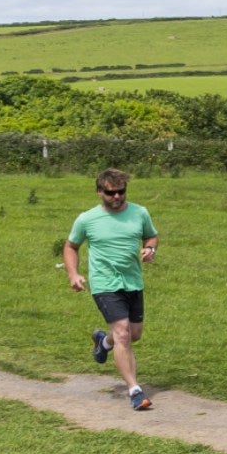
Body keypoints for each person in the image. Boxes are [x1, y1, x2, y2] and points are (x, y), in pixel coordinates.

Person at [64, 167, 158, 411]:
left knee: (134, 334)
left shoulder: (140, 213)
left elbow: (151, 237)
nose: (117, 197)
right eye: (110, 193)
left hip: (133, 282)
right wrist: (73, 274)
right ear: (99, 192)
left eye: (121, 192)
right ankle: (135, 391)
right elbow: (71, 246)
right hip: (105, 284)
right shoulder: (87, 219)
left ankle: (103, 343)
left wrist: (150, 249)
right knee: (123, 334)